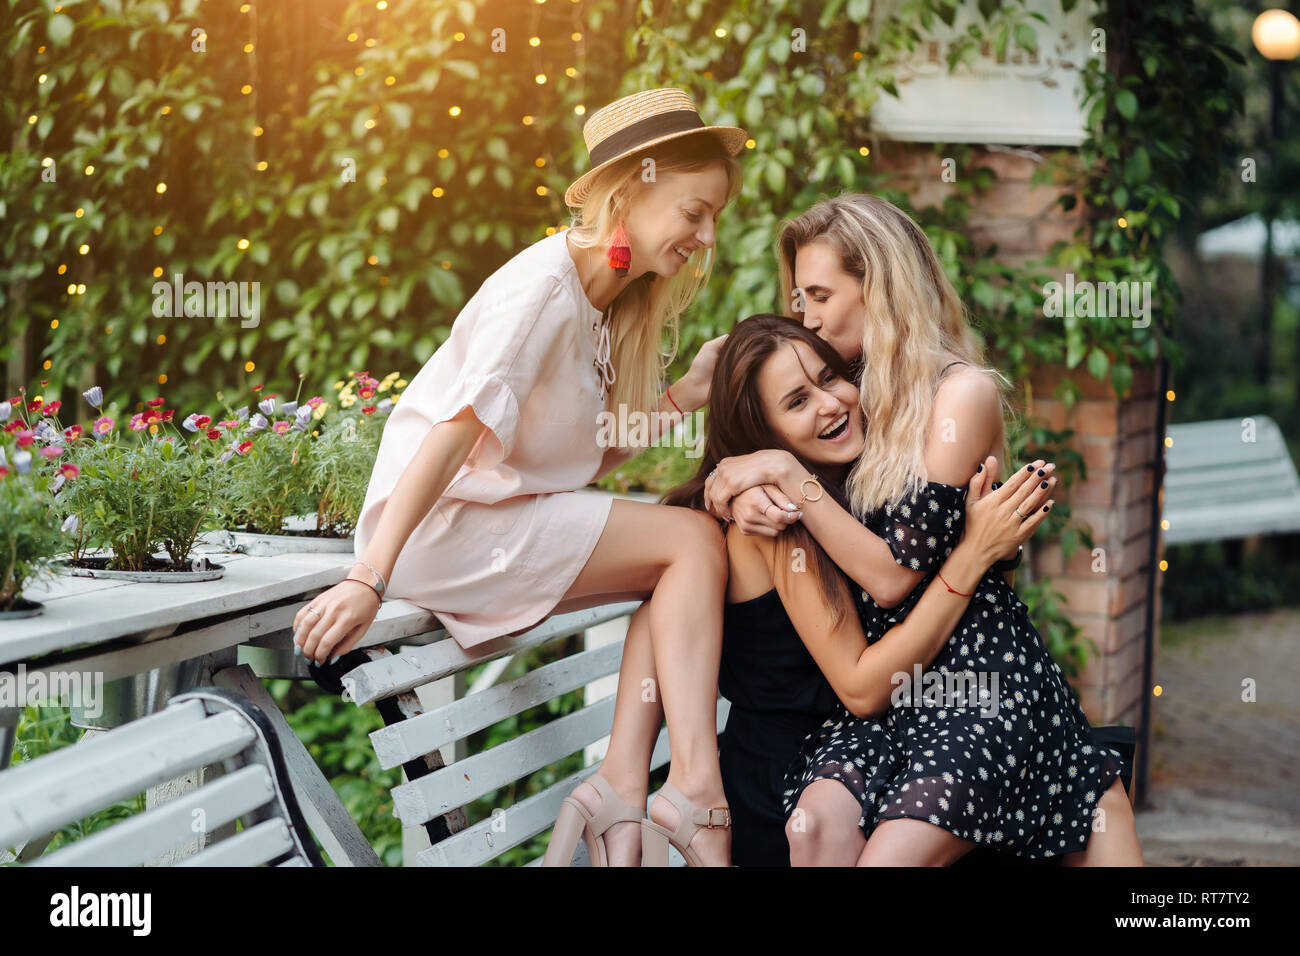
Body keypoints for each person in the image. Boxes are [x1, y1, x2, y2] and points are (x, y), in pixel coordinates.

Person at [289, 88, 749, 867]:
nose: (706, 238)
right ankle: (695, 788)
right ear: (633, 188)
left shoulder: (610, 305)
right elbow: (453, 432)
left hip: (493, 519)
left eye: (713, 220)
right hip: (446, 529)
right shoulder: (543, 291)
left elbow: (580, 459)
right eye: (694, 212)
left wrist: (689, 393)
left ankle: (620, 788)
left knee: (680, 567)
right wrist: (369, 575)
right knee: (695, 542)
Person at [704, 194, 1142, 865]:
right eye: (799, 301)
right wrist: (732, 482)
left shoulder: (956, 394)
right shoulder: (855, 395)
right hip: (888, 701)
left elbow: (888, 576)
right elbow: (758, 402)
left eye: (819, 295)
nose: (808, 317)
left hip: (975, 680)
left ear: (877, 285)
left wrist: (785, 475)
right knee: (811, 829)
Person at [661, 314, 1053, 865]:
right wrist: (970, 557)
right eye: (796, 402)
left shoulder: (851, 491)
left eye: (831, 377)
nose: (830, 403)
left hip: (866, 767)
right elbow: (864, 688)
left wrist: (997, 542)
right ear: (763, 436)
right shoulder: (774, 518)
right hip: (789, 795)